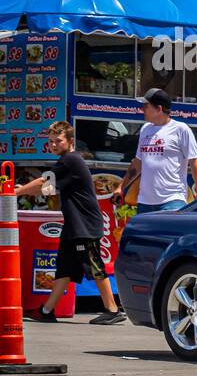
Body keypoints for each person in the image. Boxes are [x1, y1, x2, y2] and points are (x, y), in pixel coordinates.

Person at [14, 122, 125, 324]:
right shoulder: (67, 162)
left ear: (70, 142)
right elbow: (49, 189)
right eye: (51, 142)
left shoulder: (71, 160)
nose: (54, 145)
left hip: (85, 226)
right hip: (74, 226)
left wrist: (16, 192)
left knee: (94, 265)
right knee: (64, 269)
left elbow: (43, 183)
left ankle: (112, 310)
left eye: (58, 141)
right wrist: (25, 189)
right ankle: (46, 311)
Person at [112, 89, 197, 213]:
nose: (142, 109)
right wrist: (121, 188)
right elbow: (137, 164)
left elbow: (194, 162)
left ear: (159, 109)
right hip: (145, 202)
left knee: (166, 233)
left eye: (146, 106)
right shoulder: (145, 129)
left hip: (172, 200)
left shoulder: (181, 129)